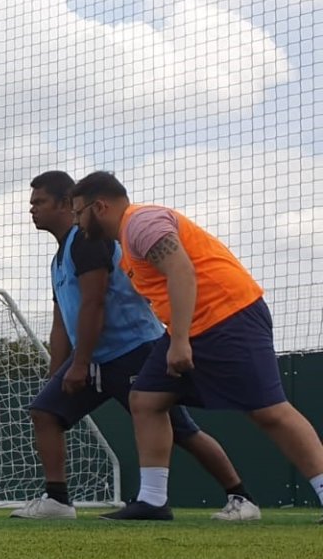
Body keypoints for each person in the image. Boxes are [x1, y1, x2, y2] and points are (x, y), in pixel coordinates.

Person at [70, 171, 323, 521]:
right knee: (146, 399)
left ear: (99, 207)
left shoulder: (141, 223)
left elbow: (182, 272)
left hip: (229, 317)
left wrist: (179, 341)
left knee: (269, 412)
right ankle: (152, 501)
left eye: (78, 212)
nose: (76, 222)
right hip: (196, 326)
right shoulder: (127, 241)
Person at [13, 171, 258, 521]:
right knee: (45, 412)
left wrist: (79, 364)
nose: (32, 209)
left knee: (183, 431)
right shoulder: (58, 260)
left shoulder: (88, 241)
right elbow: (61, 322)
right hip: (94, 358)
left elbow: (94, 303)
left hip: (134, 352)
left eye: (39, 202)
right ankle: (57, 501)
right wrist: (58, 373)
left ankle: (240, 496)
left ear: (66, 204)